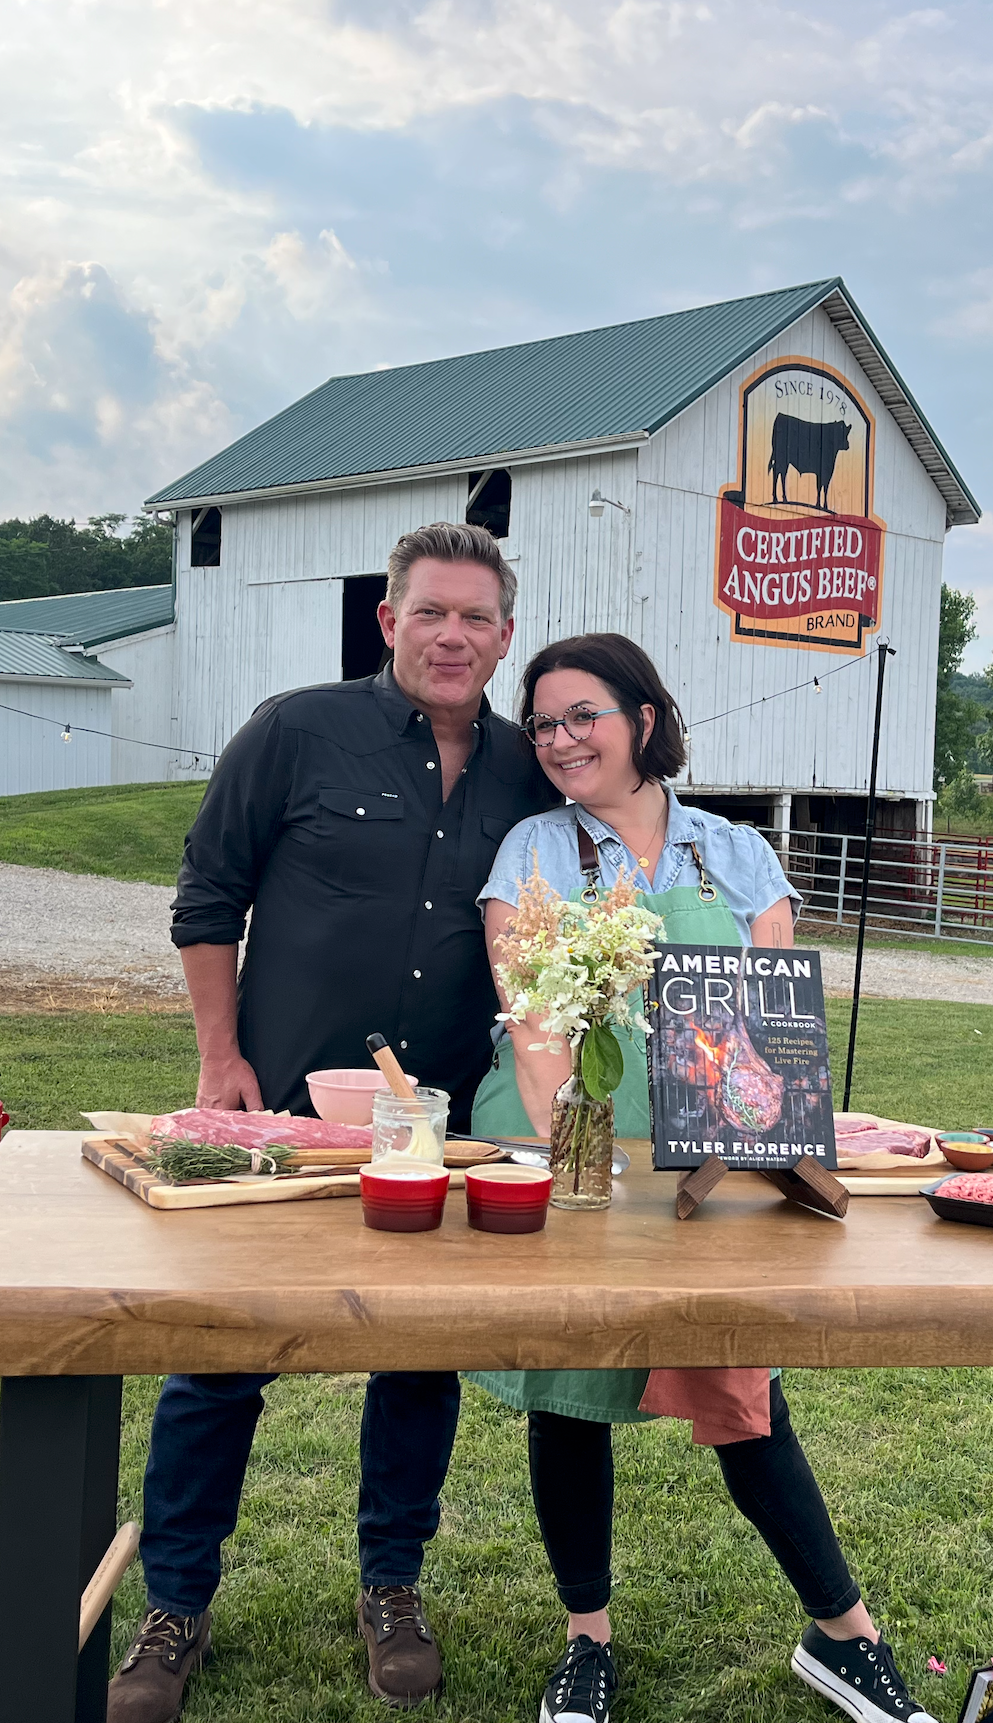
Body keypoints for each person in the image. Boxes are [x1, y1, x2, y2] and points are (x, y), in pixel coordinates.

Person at [110, 522, 561, 1722]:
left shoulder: (527, 770)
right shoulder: (296, 729)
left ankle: (392, 1587)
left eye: (476, 617)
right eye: (431, 613)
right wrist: (220, 1057)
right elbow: (207, 896)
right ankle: (174, 1606)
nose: (452, 635)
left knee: (417, 1362)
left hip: (444, 1119)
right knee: (220, 1358)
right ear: (388, 621)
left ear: (503, 636)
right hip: (283, 1111)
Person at [469, 633, 937, 1723]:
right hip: (574, 1141)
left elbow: (770, 1021)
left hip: (709, 1154)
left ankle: (843, 1637)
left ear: (642, 715)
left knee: (742, 1389)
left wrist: (778, 1140)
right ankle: (585, 1640)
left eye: (581, 714)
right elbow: (532, 1019)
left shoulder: (734, 854)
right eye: (540, 723)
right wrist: (576, 1162)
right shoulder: (532, 851)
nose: (557, 740)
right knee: (571, 1393)